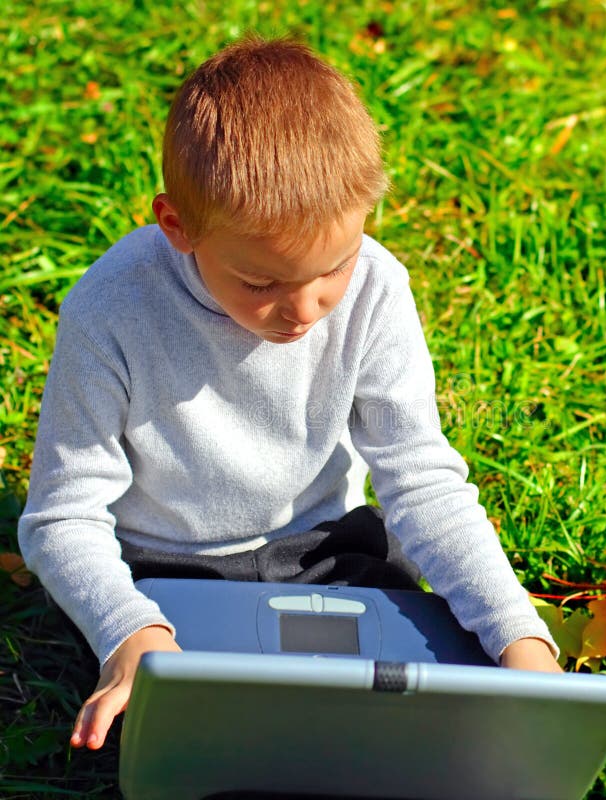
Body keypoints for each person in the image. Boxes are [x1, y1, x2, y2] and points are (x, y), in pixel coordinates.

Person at [18, 35, 560, 753]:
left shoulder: (374, 289)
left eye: (333, 267)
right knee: (202, 748)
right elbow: (61, 519)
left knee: (413, 739)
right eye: (262, 283)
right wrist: (131, 628)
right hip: (161, 569)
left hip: (328, 554)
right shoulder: (112, 310)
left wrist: (520, 638)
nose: (304, 311)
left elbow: (423, 482)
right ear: (176, 226)